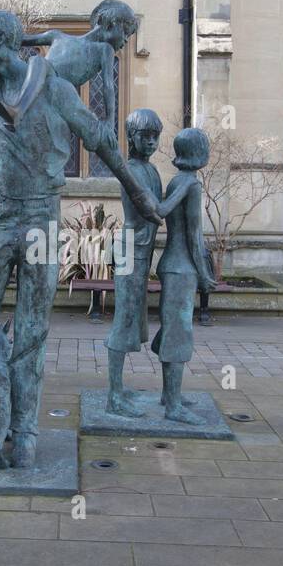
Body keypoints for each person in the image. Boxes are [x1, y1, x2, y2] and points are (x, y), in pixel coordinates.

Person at [0, 10, 160, 468]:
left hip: (42, 218)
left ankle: (25, 432)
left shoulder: (55, 88)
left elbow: (103, 141)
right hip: (1, 214)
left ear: (1, 40)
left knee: (31, 332)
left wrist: (137, 192)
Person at [0, 0, 139, 167]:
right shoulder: (57, 36)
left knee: (37, 61)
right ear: (110, 24)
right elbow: (20, 39)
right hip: (34, 80)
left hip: (53, 85)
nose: (126, 40)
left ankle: (16, 110)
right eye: (126, 32)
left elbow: (108, 86)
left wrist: (108, 122)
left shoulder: (104, 50)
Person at [151, 127, 217, 425]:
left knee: (173, 330)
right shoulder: (190, 185)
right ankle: (174, 405)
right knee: (179, 336)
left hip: (173, 265)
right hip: (182, 268)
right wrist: (204, 274)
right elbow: (194, 235)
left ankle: (169, 395)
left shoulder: (178, 180)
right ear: (198, 152)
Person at [104, 108, 164, 416]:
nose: (152, 142)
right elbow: (154, 209)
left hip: (142, 252)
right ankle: (114, 395)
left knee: (132, 320)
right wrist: (187, 188)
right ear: (131, 137)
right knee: (123, 321)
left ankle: (118, 388)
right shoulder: (132, 170)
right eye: (145, 136)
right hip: (131, 250)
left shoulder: (151, 170)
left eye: (156, 136)